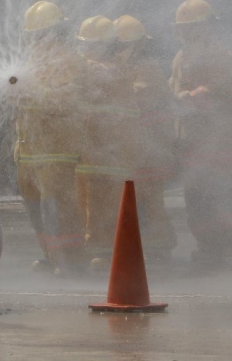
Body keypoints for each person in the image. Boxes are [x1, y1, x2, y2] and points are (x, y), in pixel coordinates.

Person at [168, 0, 232, 263]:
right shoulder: (181, 57)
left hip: (220, 140)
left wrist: (189, 98)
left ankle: (229, 243)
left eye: (192, 27)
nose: (186, 33)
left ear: (208, 27)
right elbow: (173, 88)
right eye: (183, 28)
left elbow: (221, 90)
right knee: (196, 195)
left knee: (223, 193)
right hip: (192, 139)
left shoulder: (222, 57)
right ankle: (208, 245)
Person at [15, 1, 87, 273]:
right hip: (29, 150)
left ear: (55, 31)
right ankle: (51, 255)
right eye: (33, 34)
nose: (36, 39)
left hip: (56, 149)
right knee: (35, 207)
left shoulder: (68, 61)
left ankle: (69, 259)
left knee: (58, 206)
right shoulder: (31, 61)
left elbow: (67, 100)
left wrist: (37, 93)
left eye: (40, 33)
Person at [75, 15, 139, 272]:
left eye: (90, 45)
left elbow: (93, 78)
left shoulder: (110, 70)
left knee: (103, 203)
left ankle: (102, 252)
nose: (85, 50)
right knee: (88, 203)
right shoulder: (110, 68)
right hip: (94, 150)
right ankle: (93, 248)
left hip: (108, 152)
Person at [113, 14, 178, 262]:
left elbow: (138, 99)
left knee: (150, 199)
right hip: (140, 147)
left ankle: (160, 246)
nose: (116, 52)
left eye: (119, 46)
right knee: (140, 199)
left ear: (134, 45)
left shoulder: (146, 69)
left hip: (151, 149)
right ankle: (148, 245)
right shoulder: (129, 68)